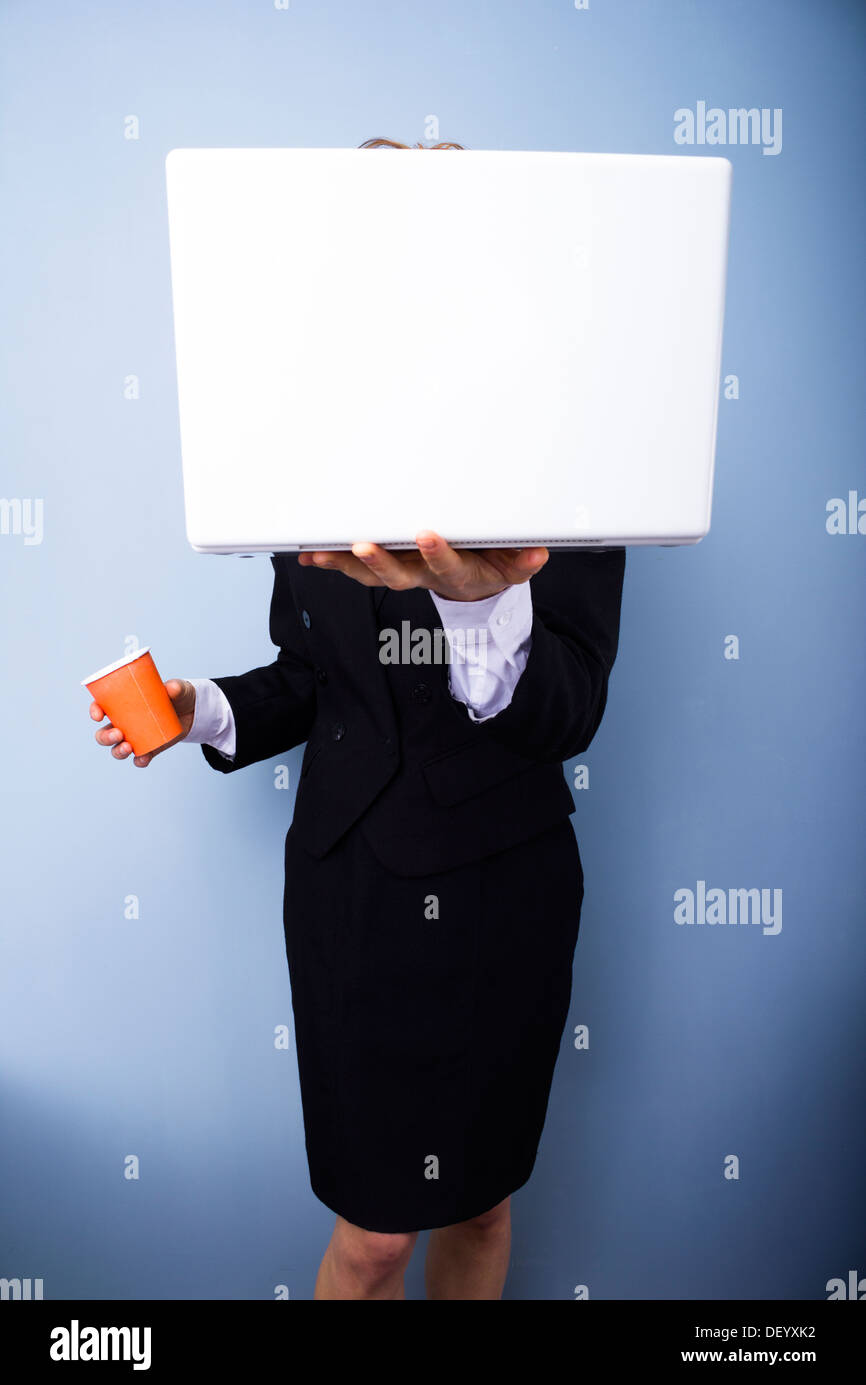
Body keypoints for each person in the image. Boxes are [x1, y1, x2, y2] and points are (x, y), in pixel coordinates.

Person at [89, 138, 627, 1300]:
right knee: (373, 1234)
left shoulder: (577, 455)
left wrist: (479, 606)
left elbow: (569, 706)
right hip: (351, 900)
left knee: (480, 1201)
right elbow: (315, 673)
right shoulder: (296, 455)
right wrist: (204, 708)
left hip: (501, 887)